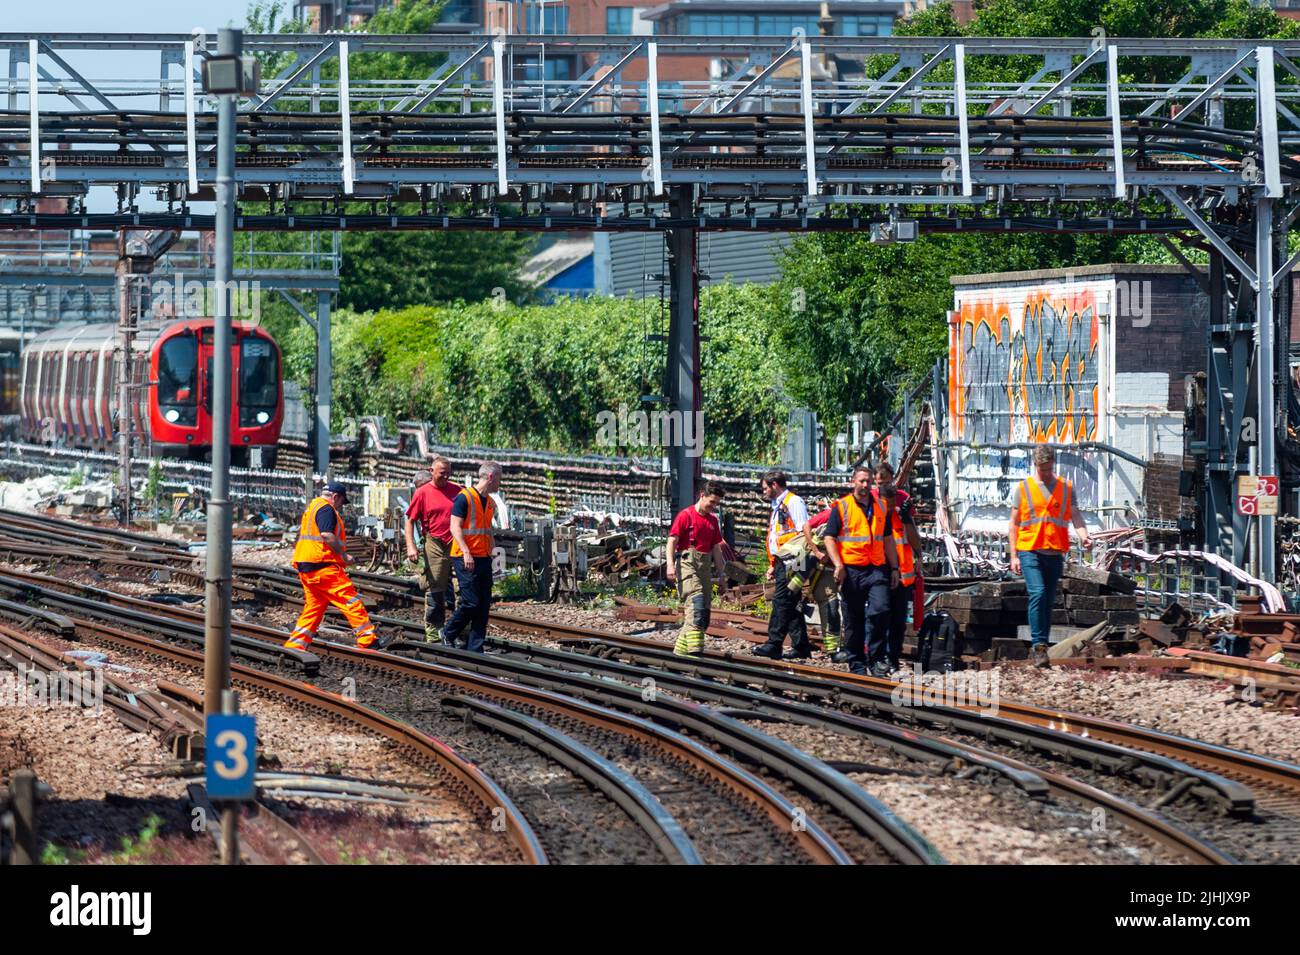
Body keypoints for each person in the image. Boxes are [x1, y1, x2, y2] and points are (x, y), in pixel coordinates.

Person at [1008, 446, 1092, 668]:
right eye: (1041, 469)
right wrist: (1014, 555)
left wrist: (1084, 536)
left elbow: (1076, 517)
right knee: (1038, 592)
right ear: (1035, 465)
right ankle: (1038, 646)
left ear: (1053, 464)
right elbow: (1014, 524)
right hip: (1030, 550)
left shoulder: (1065, 488)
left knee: (1047, 600)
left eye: (1048, 468)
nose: (1045, 473)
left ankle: (1042, 646)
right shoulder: (1023, 489)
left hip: (1054, 552)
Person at [284, 481, 385, 652]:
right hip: (322, 565)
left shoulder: (313, 506)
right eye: (340, 503)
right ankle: (368, 639)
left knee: (314, 608)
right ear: (335, 497)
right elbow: (326, 535)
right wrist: (344, 555)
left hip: (306, 564)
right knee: (350, 600)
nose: (340, 507)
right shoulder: (326, 509)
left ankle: (295, 645)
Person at [823, 465, 900, 677]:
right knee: (853, 619)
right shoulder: (842, 506)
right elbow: (829, 537)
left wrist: (895, 567)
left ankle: (876, 659)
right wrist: (838, 564)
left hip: (876, 568)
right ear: (853, 482)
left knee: (881, 609)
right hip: (851, 570)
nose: (865, 485)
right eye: (861, 481)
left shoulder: (881, 507)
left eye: (868, 481)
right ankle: (857, 662)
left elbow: (887, 539)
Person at [870, 462, 923, 674]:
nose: (881, 484)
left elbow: (913, 537)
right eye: (879, 481)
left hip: (902, 571)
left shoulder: (903, 503)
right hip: (880, 567)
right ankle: (878, 656)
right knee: (880, 613)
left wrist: (919, 556)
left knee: (898, 619)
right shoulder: (871, 502)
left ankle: (892, 658)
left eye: (885, 481)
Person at [665, 481, 729, 657]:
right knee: (697, 605)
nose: (713, 506)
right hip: (687, 564)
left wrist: (722, 575)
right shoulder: (686, 515)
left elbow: (716, 549)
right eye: (711, 502)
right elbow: (672, 541)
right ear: (702, 495)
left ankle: (679, 654)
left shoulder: (712, 521)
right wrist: (670, 565)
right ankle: (695, 654)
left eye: (717, 503)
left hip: (704, 567)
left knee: (704, 613)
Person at [443, 462, 501, 653]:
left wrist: (493, 554)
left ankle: (475, 646)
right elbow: (455, 527)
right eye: (499, 478)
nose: (500, 482)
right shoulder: (464, 498)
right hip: (464, 556)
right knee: (471, 601)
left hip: (483, 556)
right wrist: (466, 551)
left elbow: (488, 531)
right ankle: (449, 632)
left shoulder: (490, 502)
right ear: (491, 478)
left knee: (484, 603)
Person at [754, 470, 812, 660]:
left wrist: (793, 562)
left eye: (765, 488)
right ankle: (801, 646)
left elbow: (803, 532)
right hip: (783, 560)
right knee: (791, 602)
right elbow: (776, 537)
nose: (763, 492)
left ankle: (774, 643)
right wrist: (773, 564)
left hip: (792, 560)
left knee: (781, 600)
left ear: (774, 485)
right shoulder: (778, 504)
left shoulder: (793, 502)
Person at [404, 456, 462, 641]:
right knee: (435, 587)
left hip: (456, 542)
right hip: (434, 542)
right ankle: (434, 633)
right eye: (441, 473)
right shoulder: (422, 493)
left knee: (462, 588)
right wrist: (411, 546)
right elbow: (410, 521)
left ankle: (460, 631)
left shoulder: (458, 491)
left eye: (448, 473)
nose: (445, 477)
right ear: (431, 471)